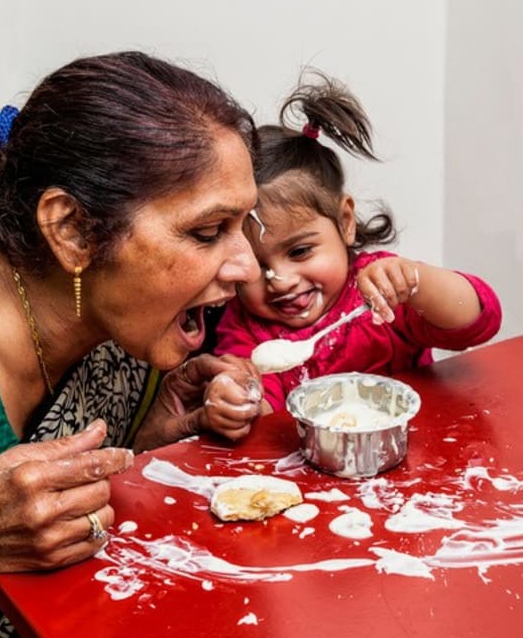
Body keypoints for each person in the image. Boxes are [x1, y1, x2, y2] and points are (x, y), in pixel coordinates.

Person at [0, 50, 264, 638]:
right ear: (72, 230)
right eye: (208, 231)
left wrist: (149, 434)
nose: (247, 265)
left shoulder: (113, 322)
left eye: (246, 224)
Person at [212, 71, 502, 413]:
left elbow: (479, 323)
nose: (282, 280)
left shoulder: (381, 291)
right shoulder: (245, 326)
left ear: (345, 222)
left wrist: (416, 283)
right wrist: (235, 403)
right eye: (258, 266)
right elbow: (264, 412)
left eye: (300, 251)